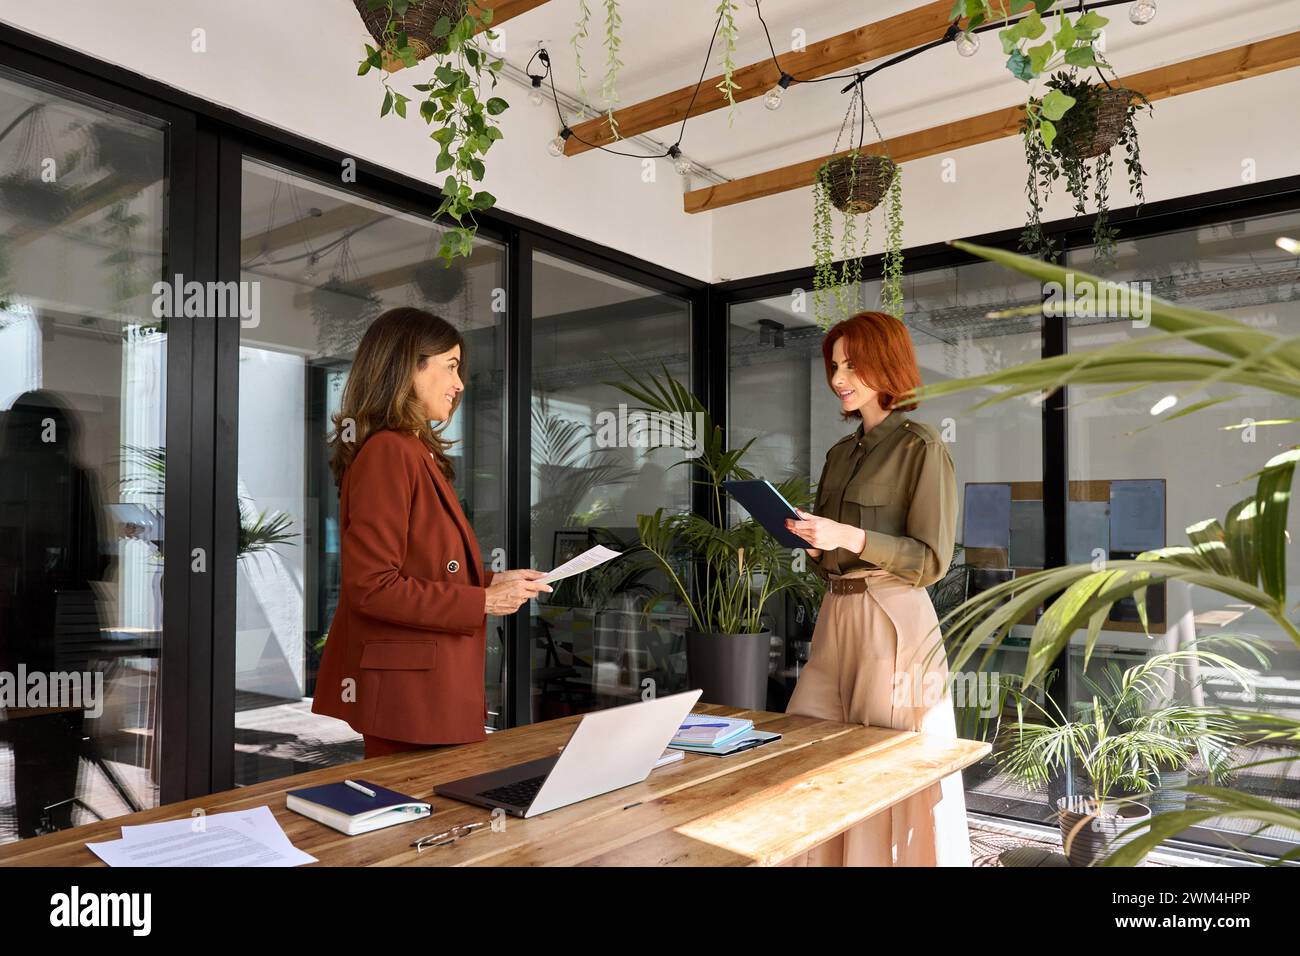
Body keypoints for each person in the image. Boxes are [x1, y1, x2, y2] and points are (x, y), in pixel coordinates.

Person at [311, 308, 551, 759]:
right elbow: (372, 587)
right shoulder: (389, 452)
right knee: (419, 822)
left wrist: (487, 582)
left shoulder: (410, 450)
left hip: (428, 689)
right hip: (410, 697)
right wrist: (480, 601)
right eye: (451, 366)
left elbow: (423, 566)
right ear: (408, 366)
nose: (460, 384)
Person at [781, 310, 970, 867]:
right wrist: (818, 544)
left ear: (886, 365)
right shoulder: (840, 454)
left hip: (892, 616)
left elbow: (931, 558)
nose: (839, 378)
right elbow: (834, 554)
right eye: (835, 366)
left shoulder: (921, 446)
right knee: (806, 746)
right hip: (834, 616)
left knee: (880, 762)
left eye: (852, 364)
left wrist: (850, 534)